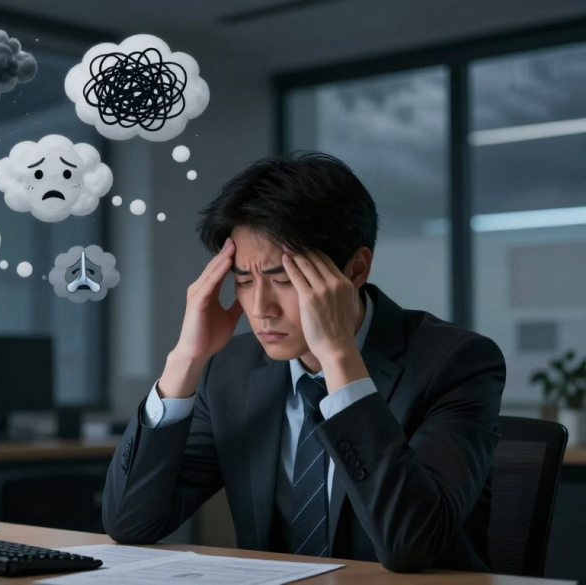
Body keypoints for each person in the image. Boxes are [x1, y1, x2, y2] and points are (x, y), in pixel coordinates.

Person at [102, 152, 505, 573]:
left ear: (356, 269)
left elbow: (411, 544)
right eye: (242, 281)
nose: (260, 308)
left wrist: (337, 359)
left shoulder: (456, 362)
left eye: (282, 280)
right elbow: (131, 522)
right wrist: (185, 359)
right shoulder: (231, 371)